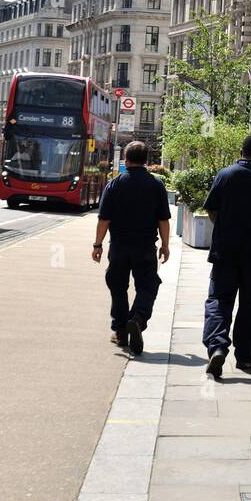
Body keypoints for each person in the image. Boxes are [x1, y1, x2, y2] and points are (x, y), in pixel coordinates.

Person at [202, 134, 251, 377]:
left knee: (219, 299)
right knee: (249, 303)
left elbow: (211, 208)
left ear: (241, 150)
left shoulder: (225, 174)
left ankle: (217, 346)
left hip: (225, 249)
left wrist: (225, 225)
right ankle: (246, 357)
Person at [91, 140, 171, 356]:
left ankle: (120, 331)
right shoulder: (156, 185)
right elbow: (163, 220)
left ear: (126, 160)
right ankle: (138, 317)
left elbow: (104, 219)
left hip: (119, 246)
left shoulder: (115, 184)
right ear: (147, 161)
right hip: (145, 246)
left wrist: (97, 245)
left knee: (117, 286)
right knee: (148, 285)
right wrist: (165, 245)